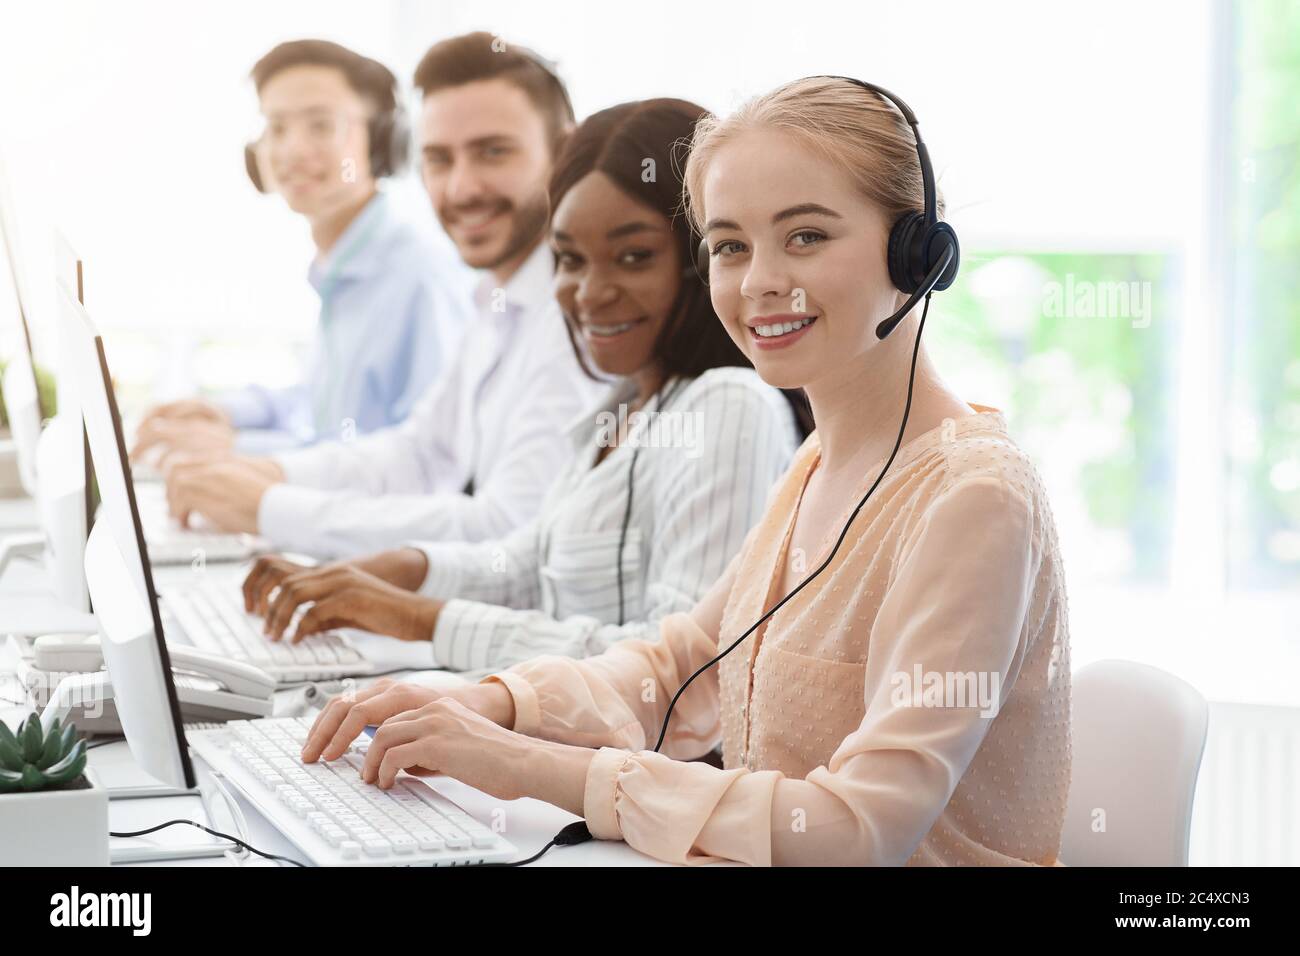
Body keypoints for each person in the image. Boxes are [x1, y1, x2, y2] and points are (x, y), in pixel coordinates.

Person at [297, 76, 1072, 867]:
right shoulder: (819, 462)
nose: (761, 279)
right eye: (731, 246)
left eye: (805, 236)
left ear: (918, 252)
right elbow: (683, 668)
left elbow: (857, 831)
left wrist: (525, 765)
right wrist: (483, 702)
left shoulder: (973, 500)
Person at [240, 98, 811, 676]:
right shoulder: (623, 407)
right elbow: (523, 563)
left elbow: (683, 673)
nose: (589, 292)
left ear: (705, 259)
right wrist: (388, 570)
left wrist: (420, 618)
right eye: (569, 259)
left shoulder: (730, 406)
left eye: (633, 257)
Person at [159, 33, 604, 558]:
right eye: (439, 159)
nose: (462, 188)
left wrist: (269, 506)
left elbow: (510, 527)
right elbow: (418, 452)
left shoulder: (579, 315)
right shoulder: (498, 299)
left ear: (565, 153)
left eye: (494, 152)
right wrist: (267, 473)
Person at [132, 39, 471, 458]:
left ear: (384, 142)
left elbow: (422, 456)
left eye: (321, 125)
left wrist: (237, 448)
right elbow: (327, 409)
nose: (291, 149)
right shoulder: (342, 266)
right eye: (276, 127)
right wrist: (229, 413)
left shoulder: (420, 275)